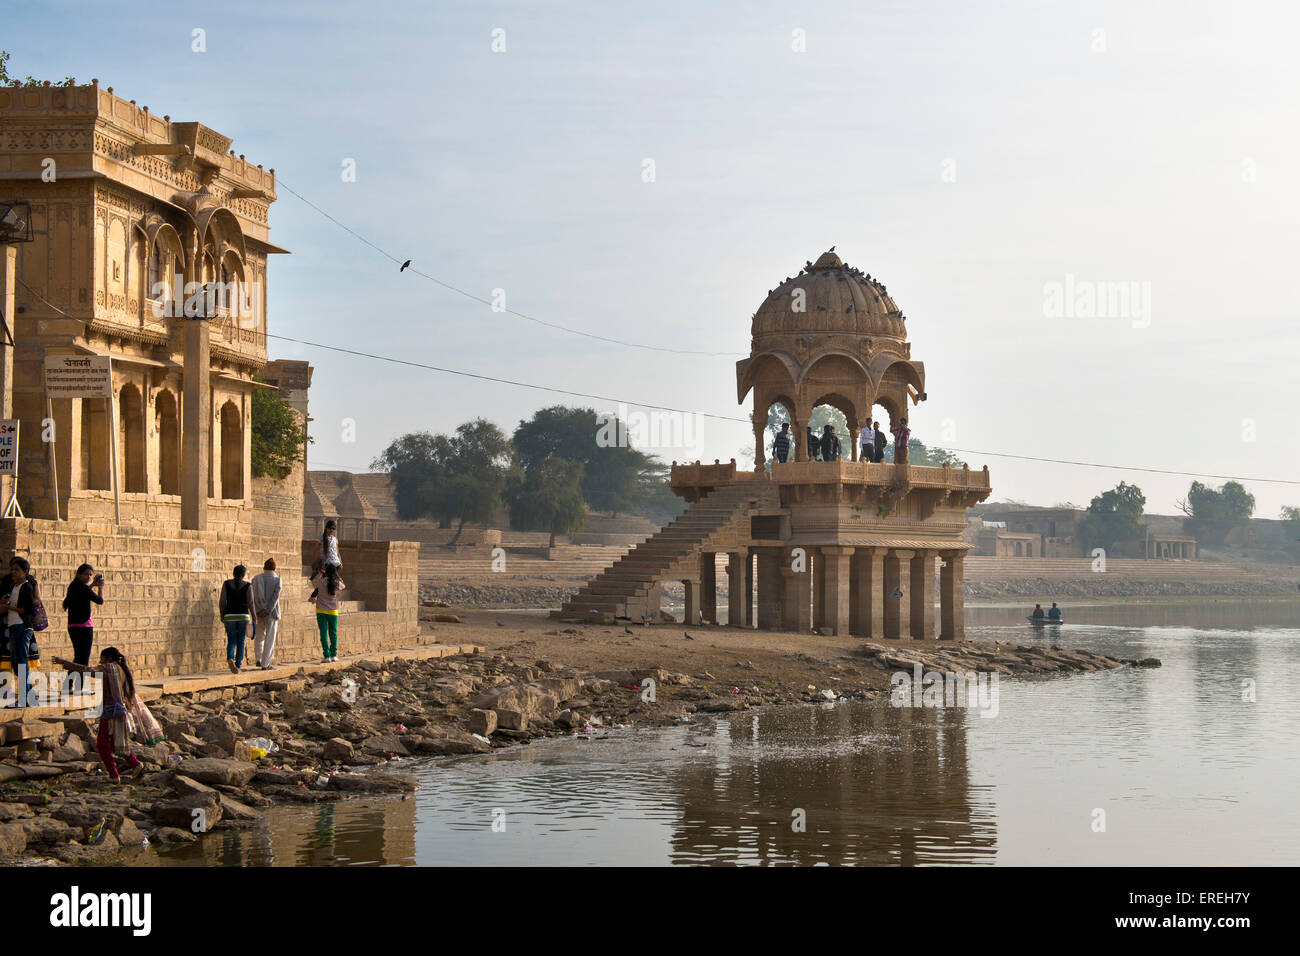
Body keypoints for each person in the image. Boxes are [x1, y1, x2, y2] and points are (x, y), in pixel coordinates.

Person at [53, 647, 143, 783]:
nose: (100, 661)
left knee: (102, 744)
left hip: (111, 712)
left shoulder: (108, 668)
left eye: (101, 658)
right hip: (120, 711)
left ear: (108, 658)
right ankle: (135, 764)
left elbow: (86, 670)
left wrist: (64, 662)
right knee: (115, 744)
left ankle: (114, 775)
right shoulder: (121, 669)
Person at [0, 557, 39, 707]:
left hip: (22, 627)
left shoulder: (26, 587)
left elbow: (27, 609)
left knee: (21, 663)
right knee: (17, 663)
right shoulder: (14, 586)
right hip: (14, 627)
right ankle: (29, 696)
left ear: (25, 572)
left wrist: (9, 607)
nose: (13, 572)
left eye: (17, 570)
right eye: (12, 569)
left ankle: (26, 698)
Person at [62, 564, 104, 667]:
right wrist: (101, 588)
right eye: (86, 574)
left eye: (90, 575)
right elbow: (99, 600)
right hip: (84, 627)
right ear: (78, 574)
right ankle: (79, 683)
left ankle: (69, 682)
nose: (88, 577)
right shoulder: (83, 588)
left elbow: (84, 593)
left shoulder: (73, 586)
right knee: (83, 660)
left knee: (78, 658)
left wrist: (93, 585)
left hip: (73, 627)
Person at [219, 565, 253, 673]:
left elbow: (222, 601)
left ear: (233, 573)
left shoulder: (227, 584)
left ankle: (230, 657)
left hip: (229, 616)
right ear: (243, 575)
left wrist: (222, 614)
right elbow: (250, 603)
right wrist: (254, 617)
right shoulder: (248, 585)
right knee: (241, 640)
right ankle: (238, 665)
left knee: (232, 639)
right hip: (243, 616)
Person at [251, 558, 282, 669]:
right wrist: (268, 610)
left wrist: (261, 609)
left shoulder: (256, 578)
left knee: (259, 636)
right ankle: (266, 663)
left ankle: (258, 659)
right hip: (272, 614)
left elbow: (253, 596)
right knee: (270, 637)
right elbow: (275, 598)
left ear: (264, 567)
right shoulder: (277, 580)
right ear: (274, 568)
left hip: (259, 612)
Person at [311, 564, 346, 663]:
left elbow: (313, 582)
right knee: (333, 633)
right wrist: (337, 576)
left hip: (321, 610)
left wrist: (320, 574)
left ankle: (326, 656)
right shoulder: (336, 583)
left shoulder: (321, 581)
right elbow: (343, 585)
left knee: (323, 633)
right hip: (333, 611)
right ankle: (334, 654)